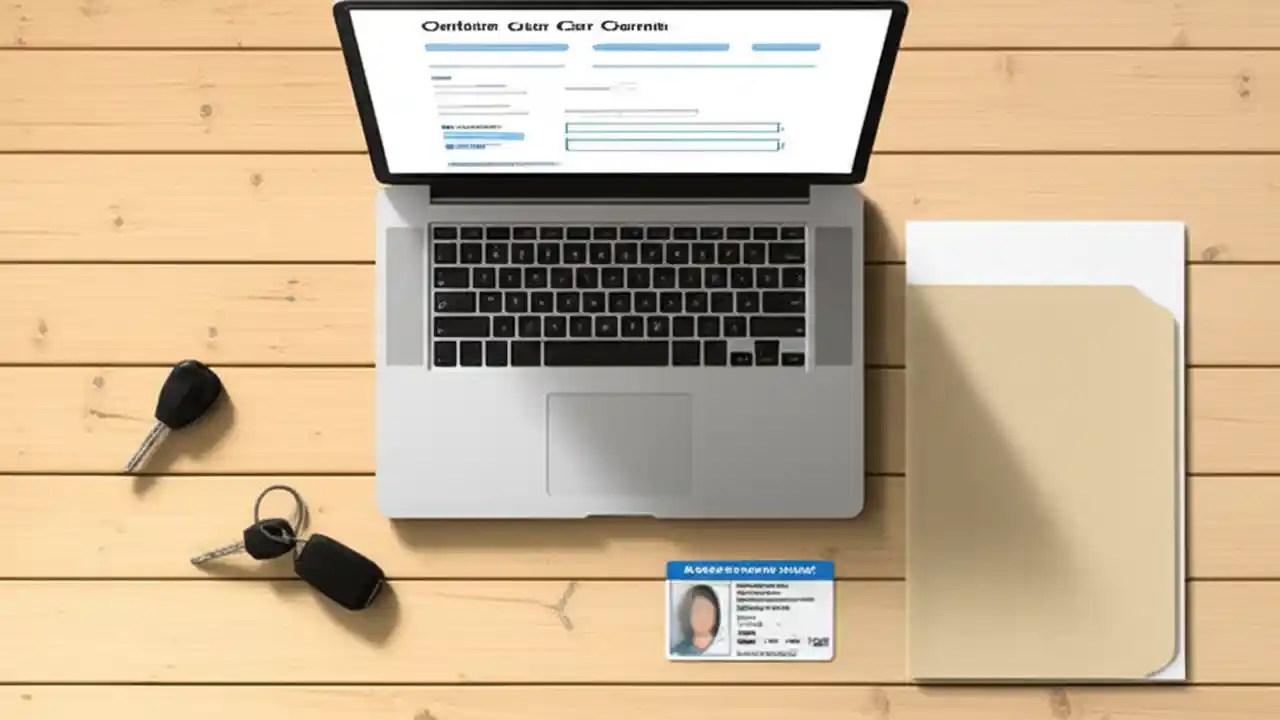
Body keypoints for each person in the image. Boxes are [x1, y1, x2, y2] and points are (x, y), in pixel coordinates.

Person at [670, 584, 722, 656]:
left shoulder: (723, 647)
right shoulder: (677, 653)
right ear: (687, 614)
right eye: (698, 611)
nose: (702, 617)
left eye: (707, 611)